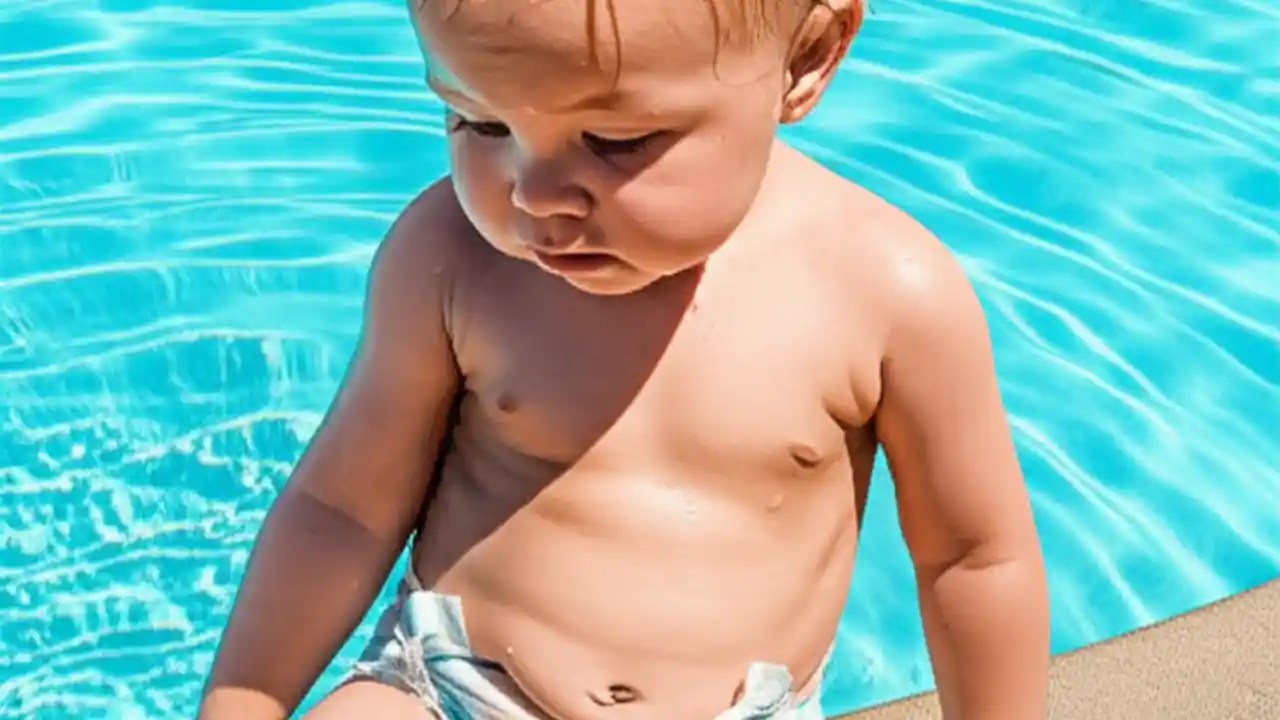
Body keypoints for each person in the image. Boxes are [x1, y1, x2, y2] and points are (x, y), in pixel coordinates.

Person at [198, 0, 1050, 718]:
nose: (533, 196)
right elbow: (342, 510)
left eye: (614, 138)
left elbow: (973, 558)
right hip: (447, 681)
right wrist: (246, 700)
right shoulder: (450, 259)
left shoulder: (887, 293)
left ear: (807, 60)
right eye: (478, 119)